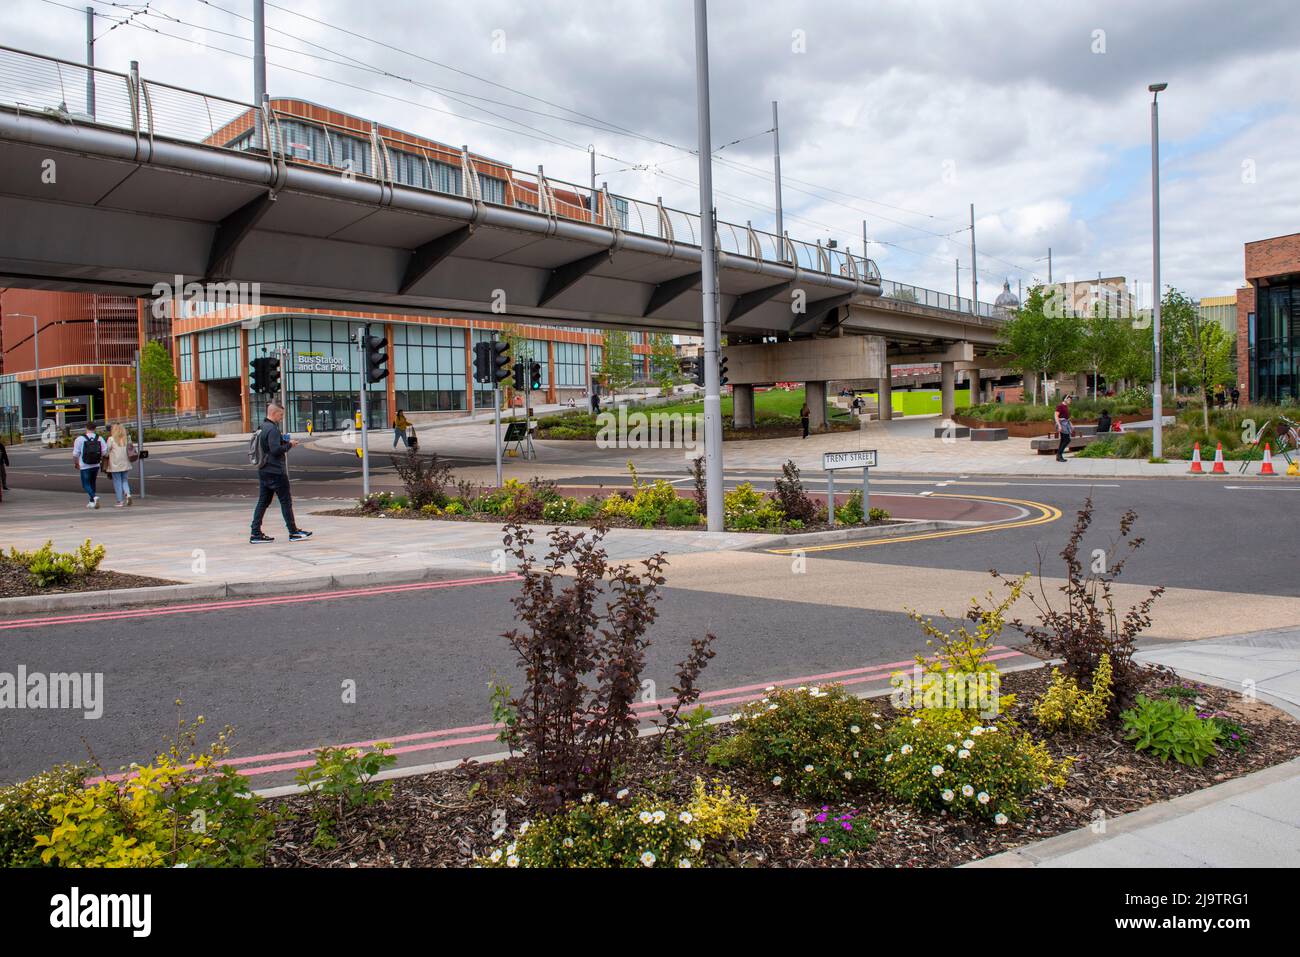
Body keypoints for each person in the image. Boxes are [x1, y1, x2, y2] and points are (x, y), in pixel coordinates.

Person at [250, 401, 311, 544]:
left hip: (264, 470)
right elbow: (275, 450)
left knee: (263, 502)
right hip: (276, 471)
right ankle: (293, 532)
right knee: (286, 502)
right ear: (273, 413)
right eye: (281, 414)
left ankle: (255, 533)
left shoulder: (262, 427)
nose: (281, 417)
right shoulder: (272, 429)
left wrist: (283, 441)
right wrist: (290, 445)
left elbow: (268, 447)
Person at [72, 422, 106, 509]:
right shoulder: (99, 438)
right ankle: (91, 502)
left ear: (86, 428)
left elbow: (75, 454)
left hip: (85, 465)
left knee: (85, 484)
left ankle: (94, 497)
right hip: (96, 464)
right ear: (95, 428)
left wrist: (76, 463)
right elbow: (104, 452)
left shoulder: (80, 439)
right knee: (92, 482)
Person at [105, 423, 135, 507]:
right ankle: (128, 494)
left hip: (115, 463)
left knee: (117, 482)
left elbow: (106, 452)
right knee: (125, 480)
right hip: (125, 462)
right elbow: (131, 449)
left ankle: (120, 501)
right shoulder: (127, 438)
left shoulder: (111, 439)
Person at [1053, 395, 1073, 463]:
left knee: (1063, 440)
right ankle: (1059, 454)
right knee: (1067, 439)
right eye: (1069, 399)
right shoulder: (1060, 406)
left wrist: (1071, 424)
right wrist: (1059, 425)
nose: (1070, 401)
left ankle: (1059, 456)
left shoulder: (1065, 406)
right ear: (1065, 399)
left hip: (1065, 424)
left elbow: (1066, 417)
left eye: (1070, 400)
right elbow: (1056, 416)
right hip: (1062, 424)